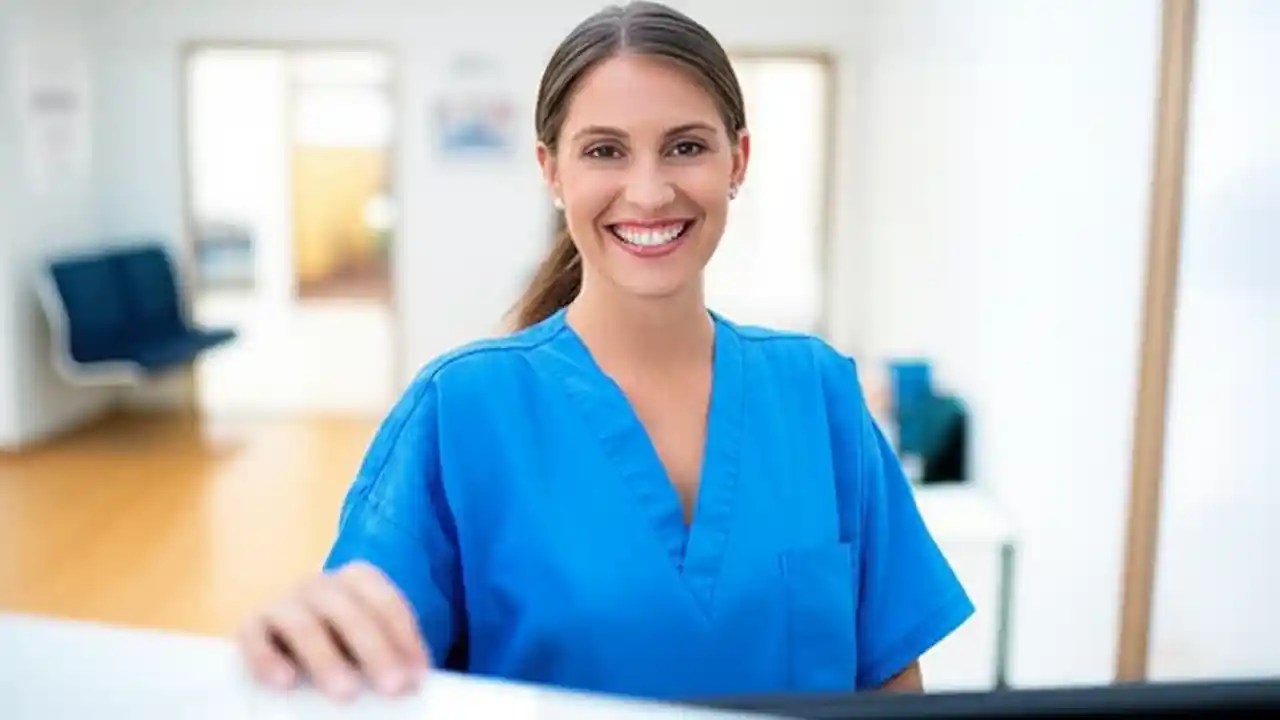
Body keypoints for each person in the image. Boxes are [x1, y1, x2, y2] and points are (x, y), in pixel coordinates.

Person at [237, 0, 974, 704]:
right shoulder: (460, 413)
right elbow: (355, 656)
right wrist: (307, 637)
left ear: (737, 160)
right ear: (552, 171)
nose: (648, 192)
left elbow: (888, 681)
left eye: (685, 146)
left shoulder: (819, 395)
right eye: (604, 151)